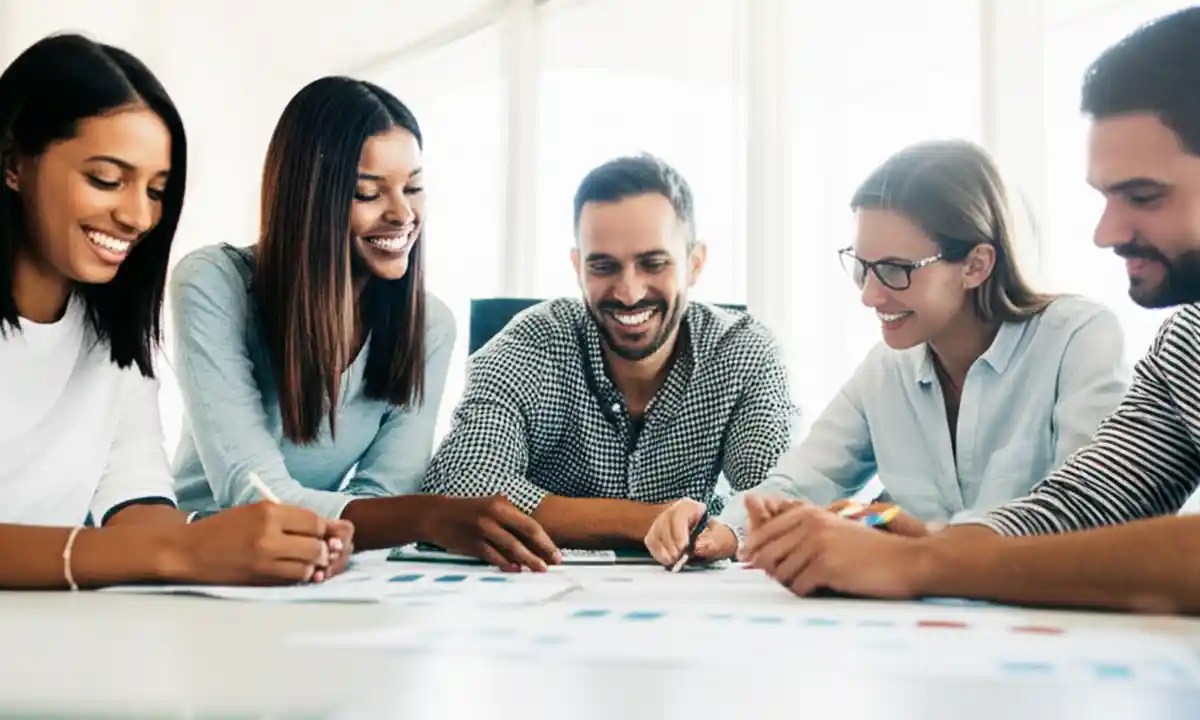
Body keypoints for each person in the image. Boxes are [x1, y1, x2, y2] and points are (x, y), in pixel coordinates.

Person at [742, 2, 1200, 615]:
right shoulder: (1190, 344)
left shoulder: (1078, 334)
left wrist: (922, 561)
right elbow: (1089, 504)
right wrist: (934, 545)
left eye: (1143, 196)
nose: (1106, 233)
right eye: (1104, 197)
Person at [647, 140, 1127, 565]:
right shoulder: (888, 367)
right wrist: (724, 530)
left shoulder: (1078, 340)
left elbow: (1094, 513)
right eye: (863, 267)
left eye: (896, 269)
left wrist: (924, 539)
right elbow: (804, 479)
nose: (870, 296)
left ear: (976, 264)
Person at [0, 34, 348, 589]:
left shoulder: (110, 339)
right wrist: (178, 551)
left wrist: (246, 542)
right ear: (13, 161)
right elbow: (156, 548)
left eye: (158, 190)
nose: (139, 217)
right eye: (106, 179)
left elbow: (138, 506)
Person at [170, 77, 558, 573]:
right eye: (367, 192)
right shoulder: (213, 283)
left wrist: (389, 522)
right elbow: (251, 490)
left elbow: (385, 490)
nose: (402, 214)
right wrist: (425, 515)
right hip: (200, 558)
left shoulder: (430, 325)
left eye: (414, 188)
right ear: (309, 198)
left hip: (320, 562)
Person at [425, 154, 798, 549]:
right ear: (577, 266)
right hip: (539, 590)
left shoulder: (743, 350)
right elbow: (459, 485)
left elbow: (777, 497)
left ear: (694, 263)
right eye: (603, 267)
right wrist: (657, 521)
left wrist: (719, 528)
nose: (629, 293)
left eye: (653, 264)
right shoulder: (532, 343)